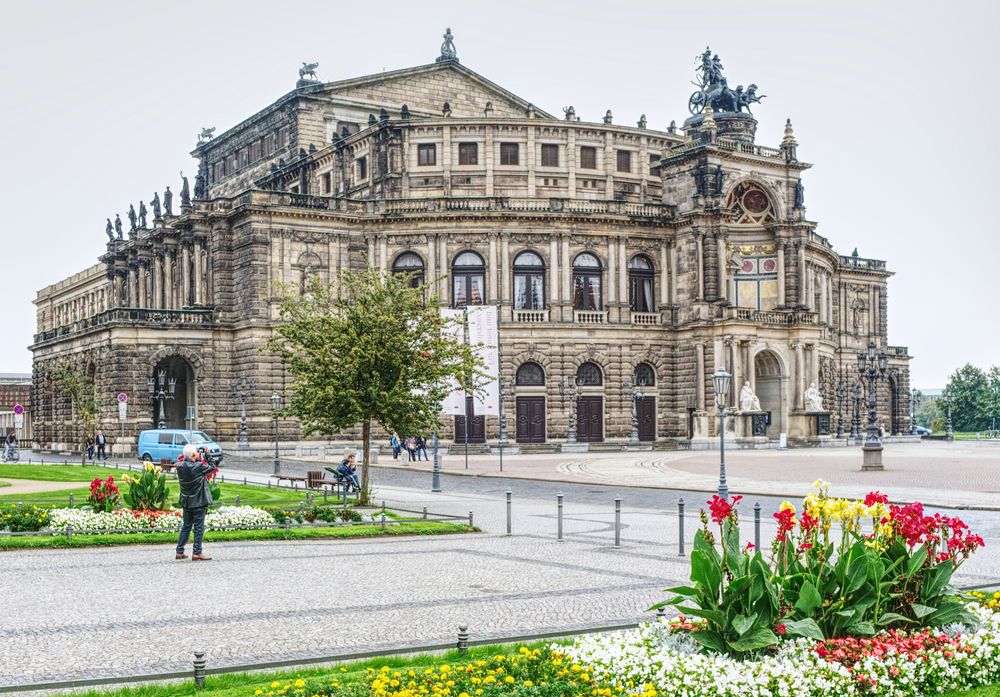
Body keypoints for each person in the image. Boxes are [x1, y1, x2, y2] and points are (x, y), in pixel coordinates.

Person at [175, 443, 217, 561]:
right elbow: (212, 466)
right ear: (194, 455)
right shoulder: (198, 467)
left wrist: (193, 456)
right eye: (197, 453)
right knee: (198, 528)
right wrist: (207, 454)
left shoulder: (179, 466)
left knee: (186, 527)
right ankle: (197, 552)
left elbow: (185, 462)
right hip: (198, 502)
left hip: (186, 502)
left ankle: (179, 551)